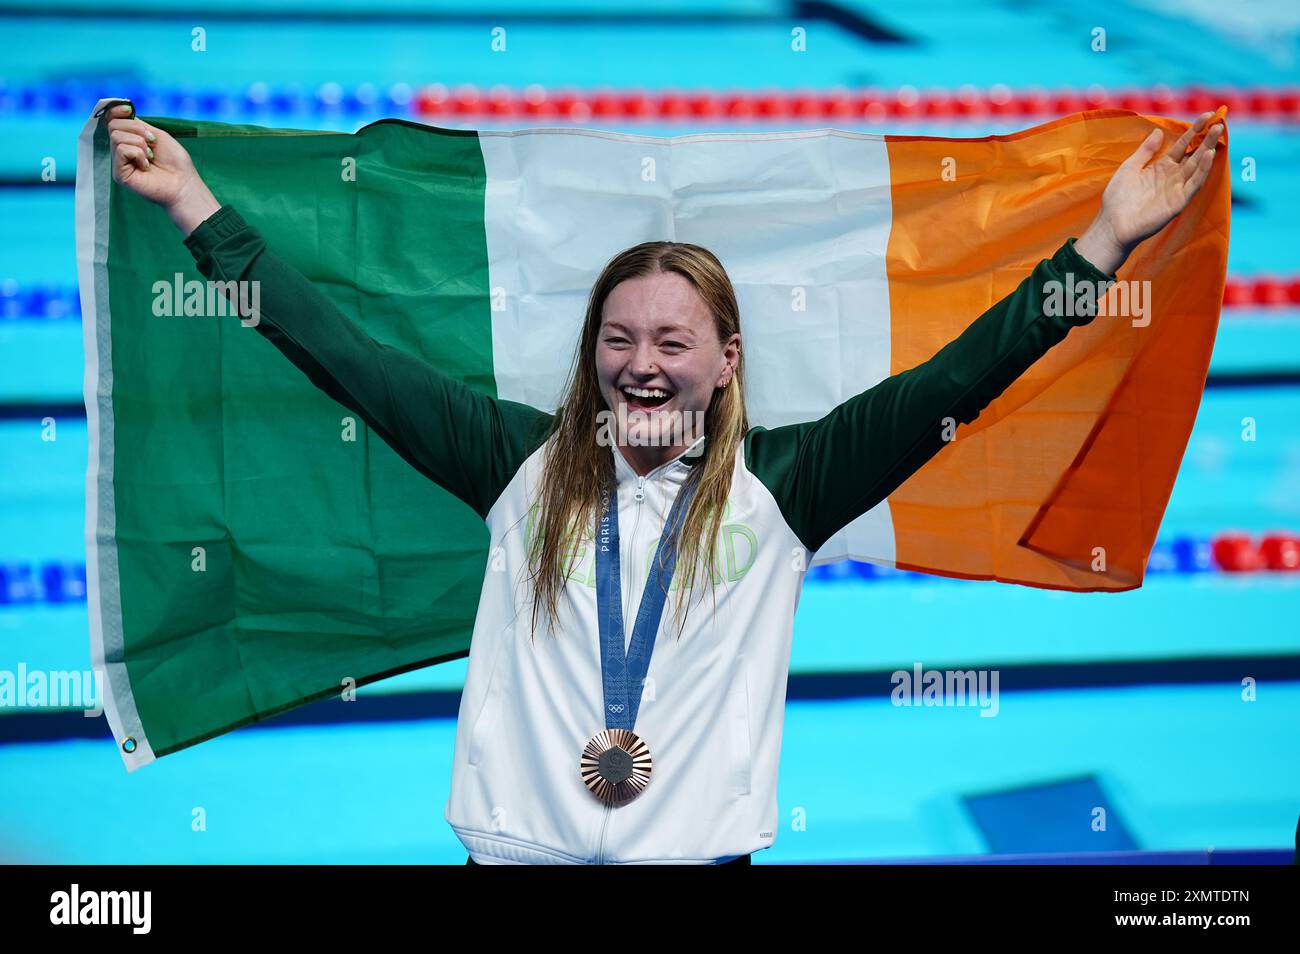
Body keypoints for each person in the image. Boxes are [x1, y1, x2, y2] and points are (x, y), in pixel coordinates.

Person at [102, 102, 1222, 865]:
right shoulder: (514, 464)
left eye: (673, 341)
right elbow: (335, 350)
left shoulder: (791, 482)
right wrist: (196, 209)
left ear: (727, 359)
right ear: (589, 349)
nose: (642, 362)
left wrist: (1105, 240)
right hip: (512, 854)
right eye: (619, 336)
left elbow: (972, 370)